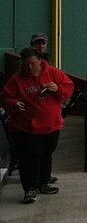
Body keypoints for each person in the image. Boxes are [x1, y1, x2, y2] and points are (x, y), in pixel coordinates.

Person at [0, 48, 74, 203]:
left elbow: (68, 88)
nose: (29, 68)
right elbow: (5, 97)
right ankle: (30, 188)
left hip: (51, 125)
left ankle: (43, 182)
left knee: (46, 154)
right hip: (27, 127)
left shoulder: (53, 73)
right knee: (30, 157)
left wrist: (57, 89)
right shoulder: (17, 79)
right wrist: (14, 104)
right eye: (26, 65)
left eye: (32, 64)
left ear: (40, 61)